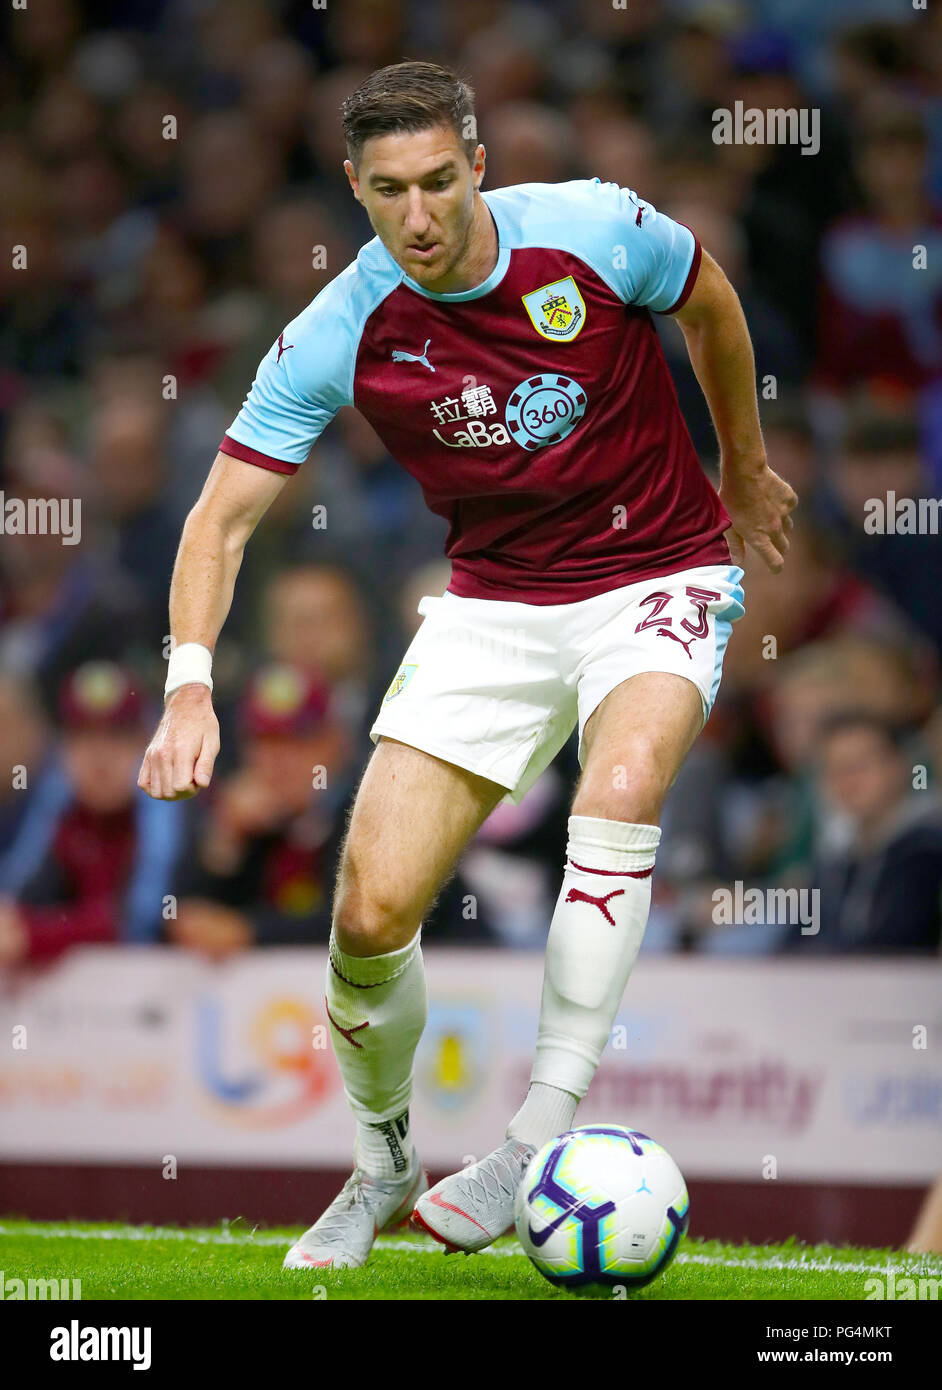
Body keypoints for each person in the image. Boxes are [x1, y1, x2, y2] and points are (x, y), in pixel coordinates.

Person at [137, 61, 796, 1270]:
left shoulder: (593, 228)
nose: (421, 215)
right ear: (356, 188)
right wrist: (189, 683)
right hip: (493, 605)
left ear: (479, 163)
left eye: (441, 180)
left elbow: (712, 305)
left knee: (624, 786)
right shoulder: (344, 324)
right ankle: (384, 1159)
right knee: (371, 912)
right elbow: (216, 521)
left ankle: (534, 1143)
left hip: (659, 570)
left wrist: (741, 467)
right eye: (390, 192)